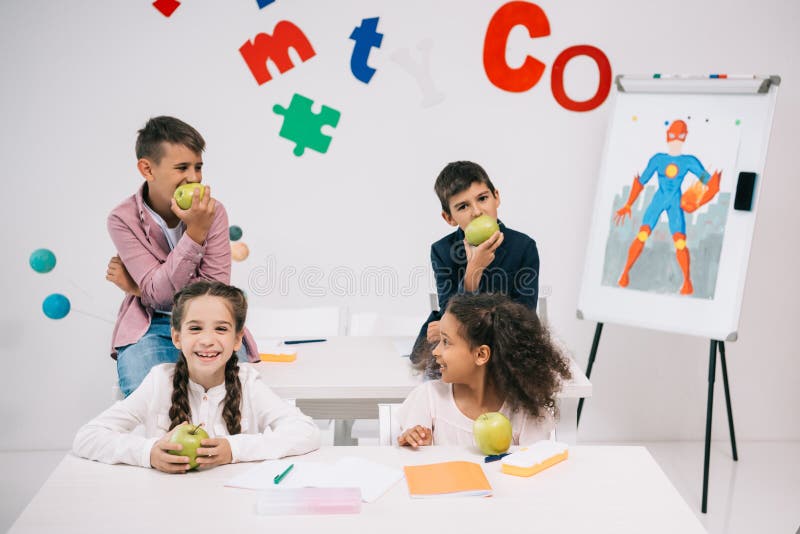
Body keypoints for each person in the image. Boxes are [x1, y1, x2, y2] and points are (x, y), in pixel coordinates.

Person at [73, 281, 320, 473]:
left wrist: (233, 449)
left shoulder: (247, 383)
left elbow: (306, 431)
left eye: (221, 328)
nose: (207, 340)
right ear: (177, 337)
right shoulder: (160, 381)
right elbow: (88, 437)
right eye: (195, 328)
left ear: (237, 339)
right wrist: (148, 453)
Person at [105, 116, 258, 396]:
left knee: (236, 398)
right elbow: (159, 297)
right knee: (149, 401)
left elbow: (214, 293)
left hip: (208, 322)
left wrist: (138, 288)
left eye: (198, 167)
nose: (194, 177)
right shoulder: (122, 219)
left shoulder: (214, 212)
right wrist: (195, 234)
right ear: (147, 169)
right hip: (150, 325)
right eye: (182, 168)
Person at [410, 161, 540, 372]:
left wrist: (450, 327)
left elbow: (524, 318)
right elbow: (449, 312)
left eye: (482, 198)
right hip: (461, 343)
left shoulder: (523, 247)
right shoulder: (442, 251)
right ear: (449, 218)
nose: (477, 211)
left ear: (496, 197)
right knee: (424, 356)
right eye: (463, 206)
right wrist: (473, 270)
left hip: (506, 340)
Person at [398, 293, 571, 448]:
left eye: (446, 342)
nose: (435, 351)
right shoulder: (429, 397)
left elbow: (535, 470)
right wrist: (415, 442)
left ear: (481, 354)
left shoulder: (525, 412)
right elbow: (412, 458)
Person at [614, 119, 720, 295]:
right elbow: (641, 181)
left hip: (674, 203)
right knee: (642, 234)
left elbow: (711, 184)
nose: (676, 139)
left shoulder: (688, 161)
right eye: (673, 135)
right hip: (659, 199)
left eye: (680, 135)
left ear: (685, 137)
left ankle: (687, 282)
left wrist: (698, 202)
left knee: (679, 242)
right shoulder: (658, 159)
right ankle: (624, 273)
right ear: (667, 135)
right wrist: (628, 204)